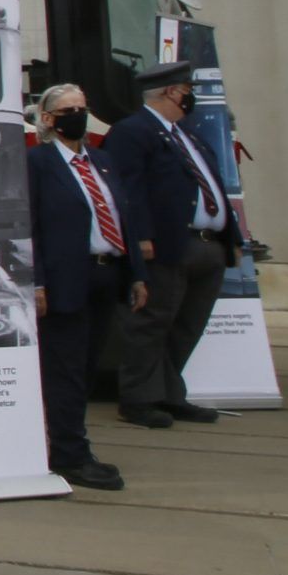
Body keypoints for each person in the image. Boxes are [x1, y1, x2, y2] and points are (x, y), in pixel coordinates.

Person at [102, 62, 244, 427]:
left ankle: (169, 393)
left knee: (188, 324)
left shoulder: (187, 136)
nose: (188, 96)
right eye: (185, 89)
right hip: (167, 246)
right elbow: (127, 190)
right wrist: (141, 237)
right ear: (170, 92)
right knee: (151, 323)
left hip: (207, 246)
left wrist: (233, 237)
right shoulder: (133, 132)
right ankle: (138, 399)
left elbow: (215, 188)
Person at [24, 85, 148, 489]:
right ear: (47, 119)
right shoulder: (37, 163)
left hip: (105, 273)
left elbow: (122, 217)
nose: (77, 114)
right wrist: (37, 281)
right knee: (66, 371)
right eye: (67, 110)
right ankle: (69, 454)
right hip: (64, 280)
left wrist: (136, 275)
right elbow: (31, 228)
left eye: (82, 107)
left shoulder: (102, 161)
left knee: (89, 367)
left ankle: (75, 444)